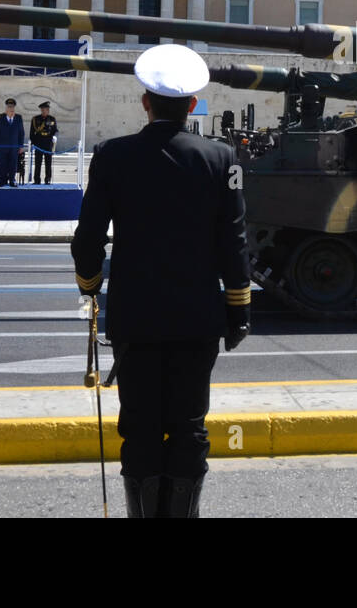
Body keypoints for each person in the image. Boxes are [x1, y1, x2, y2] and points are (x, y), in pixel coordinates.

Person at [71, 44, 250, 518]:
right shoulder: (221, 159)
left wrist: (90, 285)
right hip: (197, 319)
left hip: (136, 317)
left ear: (144, 101)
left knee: (141, 427)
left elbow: (88, 238)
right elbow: (234, 245)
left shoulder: (113, 155)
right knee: (189, 426)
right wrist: (239, 312)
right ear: (192, 105)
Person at [0, 98, 25, 187]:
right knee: (2, 163)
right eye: (9, 107)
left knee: (13, 163)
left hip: (14, 146)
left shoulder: (18, 118)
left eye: (12, 107)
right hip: (2, 146)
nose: (11, 109)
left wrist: (21, 146)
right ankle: (2, 180)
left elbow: (21, 133)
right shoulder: (1, 118)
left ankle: (12, 180)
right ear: (6, 109)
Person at [30, 101, 59, 184]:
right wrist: (33, 143)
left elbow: (56, 130)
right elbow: (32, 133)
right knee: (38, 163)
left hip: (48, 143)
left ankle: (48, 179)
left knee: (48, 163)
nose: (44, 111)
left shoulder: (52, 119)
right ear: (41, 110)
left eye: (46, 109)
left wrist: (55, 136)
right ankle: (36, 180)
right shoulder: (35, 119)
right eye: (43, 109)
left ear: (48, 110)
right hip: (39, 143)